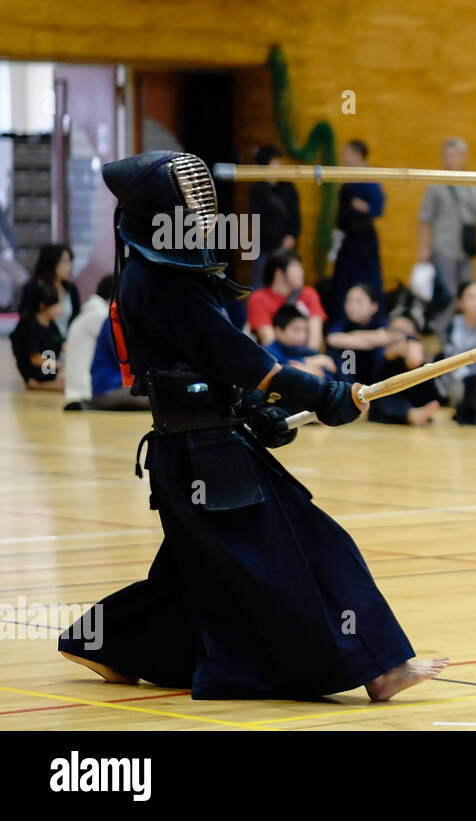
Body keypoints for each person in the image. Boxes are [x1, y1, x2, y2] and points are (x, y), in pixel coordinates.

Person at [58, 151, 446, 700]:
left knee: (198, 576)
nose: (201, 212)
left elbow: (206, 363)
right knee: (306, 550)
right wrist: (323, 393)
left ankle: (103, 641)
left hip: (203, 448)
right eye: (188, 203)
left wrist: (255, 410)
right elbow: (237, 357)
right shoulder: (161, 281)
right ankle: (374, 667)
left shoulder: (166, 274)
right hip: (202, 458)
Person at [417, 137, 476, 306]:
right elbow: (424, 219)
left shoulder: (475, 184)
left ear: (464, 157)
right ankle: (446, 329)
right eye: (446, 156)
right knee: (446, 291)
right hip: (443, 247)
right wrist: (423, 248)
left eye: (453, 155)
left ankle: (461, 327)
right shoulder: (435, 185)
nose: (449, 160)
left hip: (467, 247)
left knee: (467, 290)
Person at [329, 140, 385, 322]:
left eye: (347, 153)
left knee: (366, 280)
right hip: (348, 239)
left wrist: (359, 205)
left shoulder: (368, 177)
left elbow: (378, 207)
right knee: (342, 280)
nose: (344, 157)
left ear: (357, 153)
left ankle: (370, 319)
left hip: (364, 242)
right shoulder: (349, 177)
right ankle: (342, 319)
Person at [246, 249, 326, 349]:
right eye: (296, 267)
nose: (301, 271)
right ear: (279, 272)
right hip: (276, 360)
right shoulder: (259, 299)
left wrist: (310, 359)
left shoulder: (309, 293)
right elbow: (269, 341)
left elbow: (315, 340)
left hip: (307, 355)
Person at [247, 145, 301, 284]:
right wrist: (280, 240)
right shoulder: (258, 190)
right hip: (265, 247)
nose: (279, 166)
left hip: (287, 247)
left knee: (288, 285)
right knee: (261, 284)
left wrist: (291, 236)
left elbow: (295, 215)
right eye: (275, 162)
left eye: (279, 162)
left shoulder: (288, 187)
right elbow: (258, 220)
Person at [63, 275, 114, 409]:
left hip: (77, 387)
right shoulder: (101, 316)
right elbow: (118, 352)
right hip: (87, 389)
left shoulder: (91, 311)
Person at [10, 278, 65, 391]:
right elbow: (35, 359)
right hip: (36, 371)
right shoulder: (29, 326)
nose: (60, 309)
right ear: (43, 305)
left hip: (51, 368)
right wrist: (60, 366)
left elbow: (61, 344)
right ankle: (38, 385)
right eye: (57, 304)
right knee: (67, 383)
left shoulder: (52, 325)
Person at [18, 243, 80, 337]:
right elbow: (26, 318)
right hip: (41, 344)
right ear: (52, 262)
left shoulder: (71, 289)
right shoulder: (35, 288)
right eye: (64, 261)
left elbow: (76, 316)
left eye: (70, 261)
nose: (69, 267)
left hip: (65, 343)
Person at [266, 304, 338, 379]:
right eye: (297, 330)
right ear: (279, 331)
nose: (303, 336)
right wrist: (308, 362)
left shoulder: (308, 351)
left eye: (306, 331)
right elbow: (277, 369)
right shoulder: (268, 352)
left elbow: (328, 377)